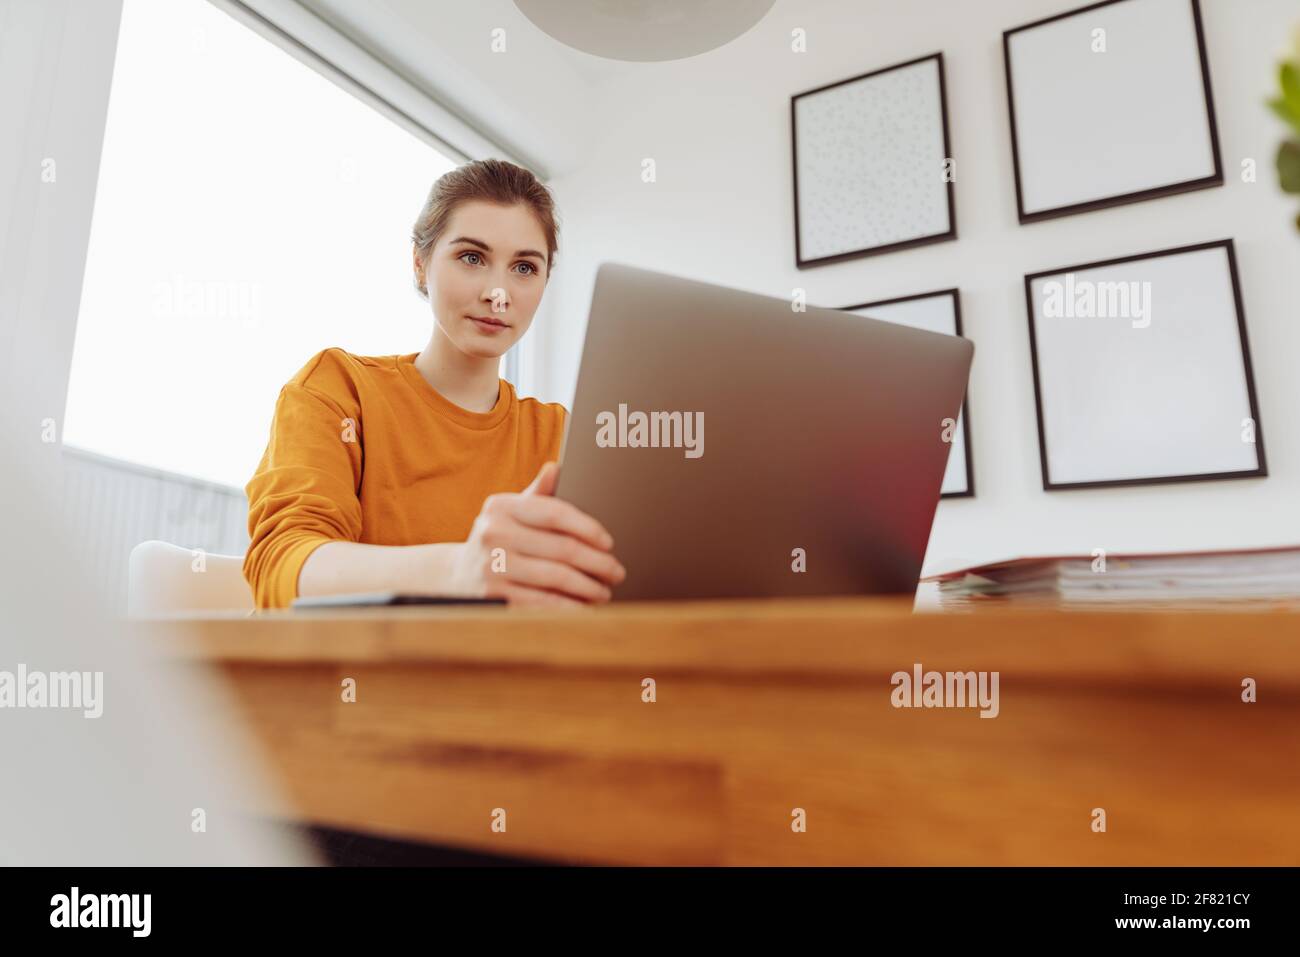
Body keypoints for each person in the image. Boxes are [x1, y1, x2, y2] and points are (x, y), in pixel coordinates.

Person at [242, 159, 625, 610]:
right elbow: (280, 564)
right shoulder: (339, 389)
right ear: (421, 264)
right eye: (471, 258)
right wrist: (459, 569)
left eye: (524, 268)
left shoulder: (561, 437)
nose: (497, 293)